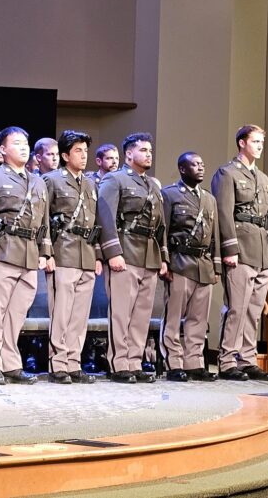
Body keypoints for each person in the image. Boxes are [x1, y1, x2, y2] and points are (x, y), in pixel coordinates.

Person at [0, 126, 51, 385]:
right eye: (17, 143)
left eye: (26, 143)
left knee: (17, 315)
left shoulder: (38, 181)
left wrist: (45, 252)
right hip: (2, 251)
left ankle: (11, 364)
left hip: (29, 254)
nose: (24, 147)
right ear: (3, 149)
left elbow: (44, 222)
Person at [96, 132, 168, 384]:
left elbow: (161, 226)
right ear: (129, 154)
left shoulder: (153, 185)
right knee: (121, 313)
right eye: (144, 150)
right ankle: (118, 363)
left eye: (150, 150)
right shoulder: (115, 180)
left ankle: (135, 362)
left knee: (141, 315)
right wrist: (113, 252)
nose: (149, 154)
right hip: (125, 252)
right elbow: (106, 218)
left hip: (149, 256)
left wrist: (163, 257)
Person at [211, 125, 268, 381]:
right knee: (236, 308)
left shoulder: (263, 178)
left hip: (261, 251)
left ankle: (248, 359)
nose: (259, 146)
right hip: (241, 249)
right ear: (242, 143)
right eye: (255, 141)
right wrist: (230, 249)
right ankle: (227, 360)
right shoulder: (227, 174)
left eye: (262, 142)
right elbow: (224, 214)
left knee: (254, 309)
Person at [43, 131, 101, 384]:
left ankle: (74, 362)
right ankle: (58, 364)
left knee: (79, 315)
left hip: (86, 253)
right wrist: (47, 252)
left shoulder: (90, 183)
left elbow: (97, 221)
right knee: (62, 312)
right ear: (65, 155)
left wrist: (98, 255)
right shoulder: (52, 180)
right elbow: (43, 219)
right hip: (64, 251)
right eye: (78, 150)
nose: (84, 155)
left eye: (86, 151)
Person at [160, 152, 220, 382]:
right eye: (195, 164)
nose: (200, 168)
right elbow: (162, 231)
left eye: (202, 164)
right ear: (182, 169)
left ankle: (194, 362)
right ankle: (174, 362)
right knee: (174, 317)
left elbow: (214, 235)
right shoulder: (170, 194)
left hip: (203, 265)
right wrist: (164, 261)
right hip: (180, 262)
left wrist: (215, 267)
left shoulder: (209, 199)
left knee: (198, 319)